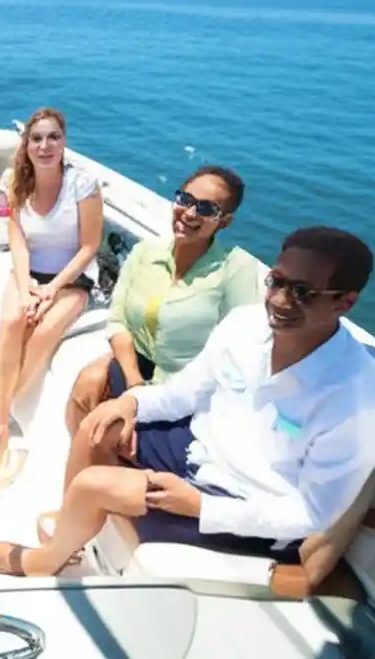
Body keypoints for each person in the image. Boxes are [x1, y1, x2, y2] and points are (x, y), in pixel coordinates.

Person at [0, 227, 375, 577]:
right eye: (276, 281)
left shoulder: (359, 403)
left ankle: (46, 561)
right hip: (197, 453)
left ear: (345, 302)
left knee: (94, 485)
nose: (278, 300)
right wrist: (130, 405)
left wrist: (202, 506)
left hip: (246, 509)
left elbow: (313, 515)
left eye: (303, 292)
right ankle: (70, 530)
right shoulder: (244, 326)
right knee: (100, 425)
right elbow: (185, 394)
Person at [62, 166, 260, 486]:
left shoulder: (234, 270)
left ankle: (97, 492)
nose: (189, 213)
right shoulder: (145, 253)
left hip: (187, 387)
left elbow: (238, 350)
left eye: (207, 209)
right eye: (185, 199)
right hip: (136, 367)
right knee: (87, 384)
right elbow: (118, 321)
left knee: (106, 428)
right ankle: (81, 478)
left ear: (224, 221)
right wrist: (134, 380)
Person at [0, 108, 103, 474]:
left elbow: (89, 246)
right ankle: (2, 417)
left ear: (64, 141)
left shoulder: (84, 184)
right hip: (29, 273)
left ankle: (2, 417)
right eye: (37, 138)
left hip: (71, 279)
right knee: (11, 322)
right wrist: (27, 291)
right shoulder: (10, 183)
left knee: (41, 333)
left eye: (53, 137)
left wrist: (52, 290)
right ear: (26, 145)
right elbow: (16, 240)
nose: (45, 145)